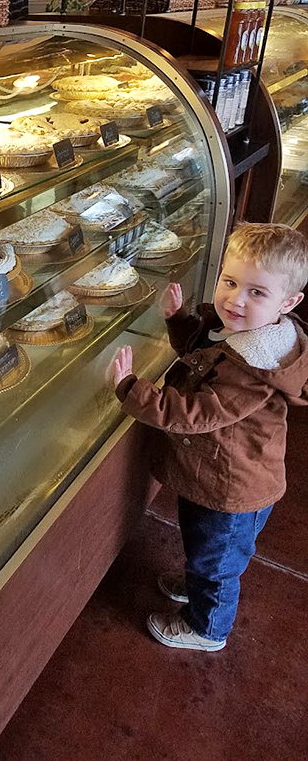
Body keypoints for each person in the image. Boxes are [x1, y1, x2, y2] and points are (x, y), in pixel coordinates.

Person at [111, 223, 308, 652]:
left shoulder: (254, 366)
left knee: (218, 562)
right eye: (230, 281)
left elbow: (198, 413)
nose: (236, 299)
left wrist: (133, 390)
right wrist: (181, 321)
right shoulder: (245, 333)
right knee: (207, 547)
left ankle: (208, 628)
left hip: (234, 486)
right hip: (216, 475)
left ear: (289, 302)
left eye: (257, 292)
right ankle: (199, 579)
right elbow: (205, 357)